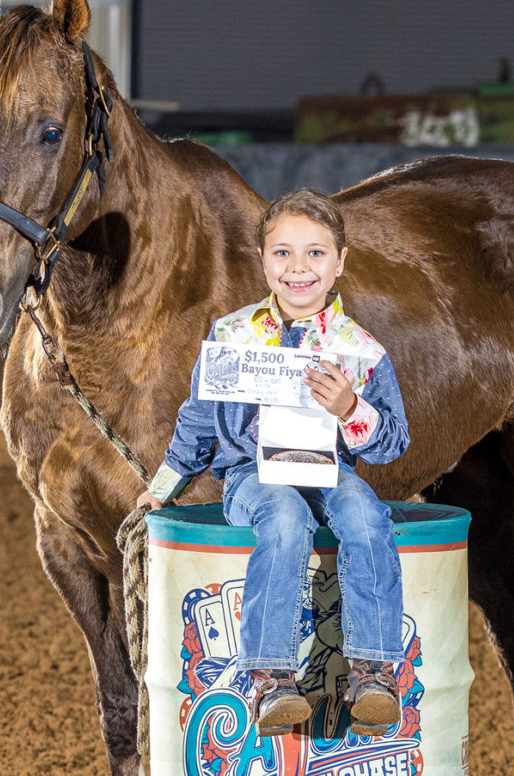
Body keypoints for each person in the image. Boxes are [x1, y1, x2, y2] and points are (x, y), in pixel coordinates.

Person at [137, 188, 411, 736]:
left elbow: (392, 441)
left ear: (340, 263)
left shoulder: (360, 349)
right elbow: (198, 415)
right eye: (282, 252)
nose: (298, 268)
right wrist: (163, 485)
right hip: (251, 477)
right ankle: (270, 679)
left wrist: (350, 408)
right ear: (261, 259)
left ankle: (375, 673)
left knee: (364, 514)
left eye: (315, 253)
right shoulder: (233, 336)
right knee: (283, 516)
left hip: (332, 473)